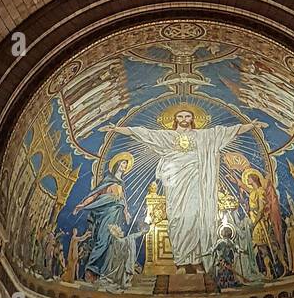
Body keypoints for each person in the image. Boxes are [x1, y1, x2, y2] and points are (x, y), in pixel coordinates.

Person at [103, 109, 264, 273]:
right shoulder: (167, 136)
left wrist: (250, 126)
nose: (184, 119)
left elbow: (228, 131)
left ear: (193, 118)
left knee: (196, 217)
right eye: (180, 116)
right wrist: (117, 129)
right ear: (175, 119)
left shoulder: (204, 136)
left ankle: (197, 261)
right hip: (175, 185)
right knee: (177, 219)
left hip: (196, 183)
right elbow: (143, 133)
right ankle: (181, 262)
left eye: (187, 116)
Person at [74, 153, 133, 283]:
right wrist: (83, 204)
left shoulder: (121, 184)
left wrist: (126, 213)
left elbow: (123, 200)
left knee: (112, 243)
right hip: (106, 214)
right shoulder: (108, 180)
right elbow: (95, 194)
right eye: (123, 163)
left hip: (116, 216)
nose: (124, 166)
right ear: (117, 164)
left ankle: (104, 273)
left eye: (126, 164)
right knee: (103, 240)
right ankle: (91, 269)